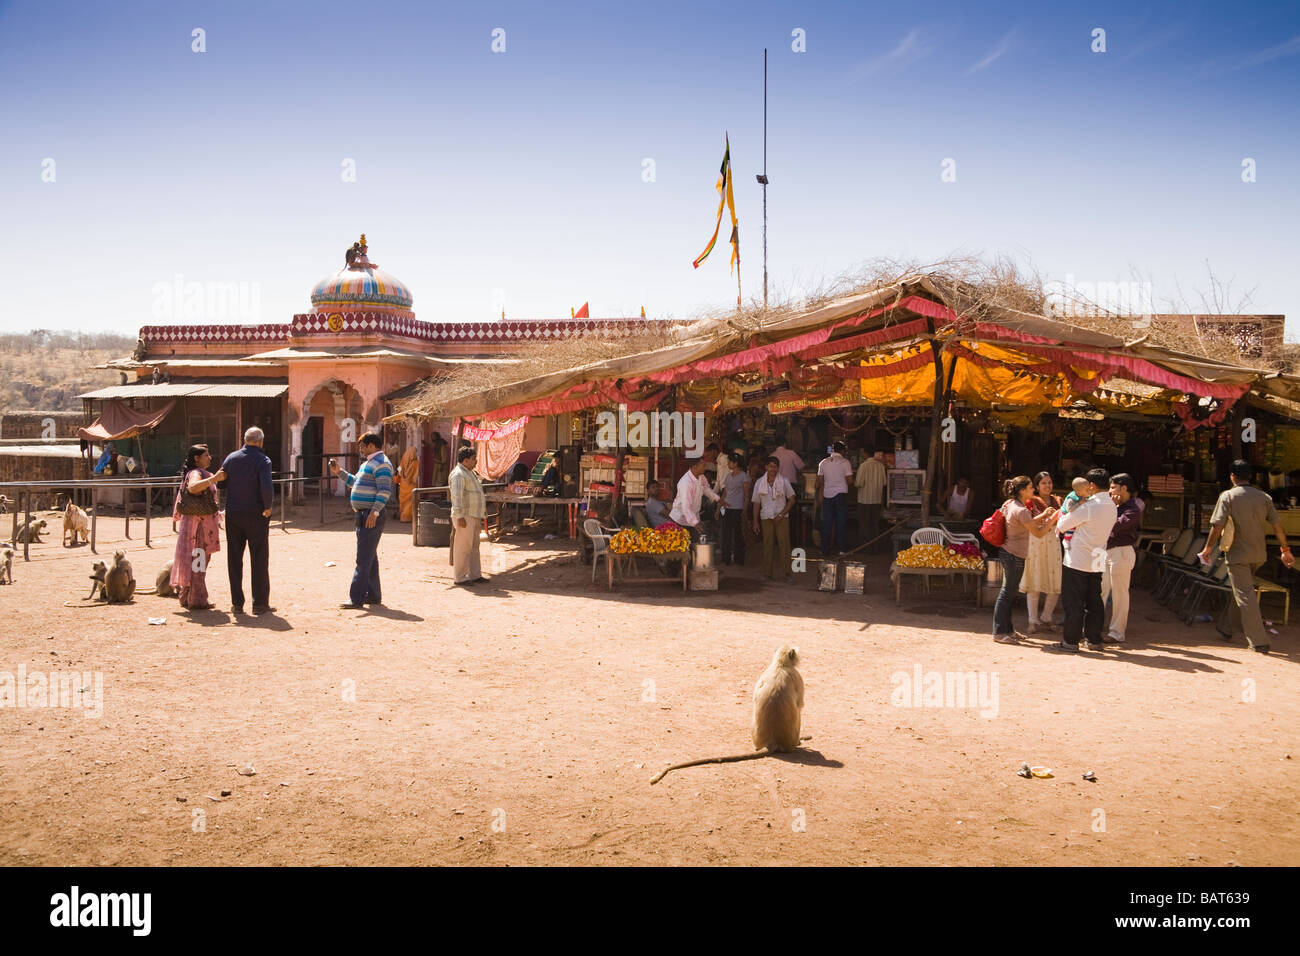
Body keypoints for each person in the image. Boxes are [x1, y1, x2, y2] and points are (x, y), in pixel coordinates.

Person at [1199, 459, 1295, 654]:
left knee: (1245, 595)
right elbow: (1278, 526)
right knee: (1243, 589)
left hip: (1238, 554)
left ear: (1232, 476)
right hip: (1259, 553)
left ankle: (1258, 641)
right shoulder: (1264, 497)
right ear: (1250, 476)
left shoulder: (1228, 496)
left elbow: (1217, 526)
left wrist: (1208, 549)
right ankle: (1226, 627)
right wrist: (1285, 550)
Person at [1053, 468, 1119, 651]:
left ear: (1091, 485)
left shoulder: (1089, 506)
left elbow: (1062, 524)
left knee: (1074, 601)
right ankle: (1094, 639)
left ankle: (1070, 641)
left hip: (1078, 558)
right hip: (1098, 554)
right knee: (1094, 601)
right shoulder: (1112, 506)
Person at [992, 476, 1060, 644]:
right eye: (1030, 487)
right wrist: (1053, 518)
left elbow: (1024, 523)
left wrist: (1043, 514)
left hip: (1008, 552)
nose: (1033, 490)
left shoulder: (1010, 504)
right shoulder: (1021, 509)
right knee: (1007, 594)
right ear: (1022, 490)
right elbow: (1037, 532)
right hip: (1014, 555)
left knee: (1008, 593)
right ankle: (999, 632)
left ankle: (1008, 630)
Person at [331, 433, 394, 608]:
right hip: (363, 514)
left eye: (362, 446)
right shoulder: (367, 464)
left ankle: (356, 597)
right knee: (369, 556)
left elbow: (384, 491)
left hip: (370, 515)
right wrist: (339, 472)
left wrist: (375, 512)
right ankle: (373, 595)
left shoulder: (382, 463)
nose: (360, 449)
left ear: (372, 446)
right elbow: (355, 482)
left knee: (363, 558)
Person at [218, 427, 274, 615]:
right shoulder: (263, 460)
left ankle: (237, 603)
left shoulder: (231, 458)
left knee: (234, 559)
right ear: (260, 441)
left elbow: (221, 483)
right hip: (256, 513)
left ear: (244, 439)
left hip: (233, 513)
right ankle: (259, 604)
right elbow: (266, 486)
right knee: (259, 558)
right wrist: (268, 506)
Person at [170, 444, 225, 611]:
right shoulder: (196, 473)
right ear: (196, 459)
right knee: (199, 562)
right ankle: (197, 598)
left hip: (198, 525)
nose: (209, 458)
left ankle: (187, 595)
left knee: (196, 561)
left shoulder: (199, 473)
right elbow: (193, 487)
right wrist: (214, 479)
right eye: (206, 455)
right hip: (198, 528)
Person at [1020, 471, 1063, 633]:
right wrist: (1046, 516)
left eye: (1050, 482)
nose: (1047, 486)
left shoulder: (1058, 501)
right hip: (1036, 542)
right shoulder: (1031, 502)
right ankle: (1033, 620)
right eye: (1044, 483)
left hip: (1053, 540)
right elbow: (1027, 523)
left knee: (1054, 580)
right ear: (1037, 486)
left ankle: (1047, 617)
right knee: (1035, 580)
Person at [1101, 473, 1142, 644]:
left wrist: (1111, 507)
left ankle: (1117, 633)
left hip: (1122, 552)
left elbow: (1115, 526)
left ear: (1124, 488)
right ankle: (1092, 627)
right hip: (1105, 551)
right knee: (1099, 591)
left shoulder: (1133, 509)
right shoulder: (1113, 505)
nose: (1110, 491)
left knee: (1119, 594)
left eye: (1112, 487)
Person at [752, 456, 796, 582]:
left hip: (782, 517)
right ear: (766, 467)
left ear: (778, 468)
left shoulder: (784, 481)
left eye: (775, 467)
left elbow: (792, 499)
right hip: (766, 516)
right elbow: (756, 502)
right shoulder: (759, 482)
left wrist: (781, 514)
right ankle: (767, 573)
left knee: (784, 545)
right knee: (767, 545)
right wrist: (755, 521)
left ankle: (787, 573)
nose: (773, 469)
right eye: (770, 466)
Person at [449, 446, 487, 585]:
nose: (475, 461)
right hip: (465, 515)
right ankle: (460, 577)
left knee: (474, 546)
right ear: (465, 461)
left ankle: (475, 574)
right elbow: (456, 497)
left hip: (474, 515)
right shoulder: (459, 474)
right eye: (473, 459)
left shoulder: (470, 473)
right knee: (463, 547)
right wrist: (460, 517)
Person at [815, 440, 854, 556]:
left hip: (827, 495)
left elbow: (820, 481)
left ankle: (824, 549)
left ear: (832, 450)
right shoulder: (845, 462)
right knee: (841, 523)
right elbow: (850, 481)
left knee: (826, 523)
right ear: (842, 451)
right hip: (840, 495)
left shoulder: (823, 462)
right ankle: (842, 549)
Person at [669, 458, 720, 541]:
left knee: (693, 544)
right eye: (703, 465)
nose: (705, 467)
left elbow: (706, 489)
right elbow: (686, 507)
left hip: (693, 517)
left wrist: (717, 498)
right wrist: (695, 522)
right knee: (683, 547)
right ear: (695, 467)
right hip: (680, 520)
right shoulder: (686, 483)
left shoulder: (701, 477)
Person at [718, 455, 751, 566]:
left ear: (736, 463)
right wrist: (719, 507)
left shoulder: (744, 476)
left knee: (737, 534)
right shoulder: (728, 476)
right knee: (726, 533)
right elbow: (725, 493)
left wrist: (745, 509)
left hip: (737, 508)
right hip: (726, 507)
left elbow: (747, 495)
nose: (728, 464)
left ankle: (739, 558)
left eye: (730, 462)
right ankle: (726, 557)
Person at [855, 449, 887, 551]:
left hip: (864, 499)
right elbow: (884, 483)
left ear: (865, 453)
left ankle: (865, 548)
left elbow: (859, 483)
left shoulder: (863, 466)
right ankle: (874, 548)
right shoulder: (881, 466)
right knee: (874, 525)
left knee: (864, 525)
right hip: (877, 499)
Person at [397, 445, 419, 522]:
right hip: (410, 485)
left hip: (403, 483)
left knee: (403, 501)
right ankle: (408, 518)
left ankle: (403, 517)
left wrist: (402, 476)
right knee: (410, 501)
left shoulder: (403, 458)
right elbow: (414, 476)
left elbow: (399, 470)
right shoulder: (415, 462)